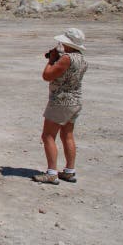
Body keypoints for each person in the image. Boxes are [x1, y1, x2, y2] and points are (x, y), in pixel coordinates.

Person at [33, 28, 88, 185]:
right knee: (67, 135)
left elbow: (47, 75)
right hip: (75, 101)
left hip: (61, 102)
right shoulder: (82, 59)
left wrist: (51, 60)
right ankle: (69, 171)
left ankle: (51, 173)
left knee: (48, 136)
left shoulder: (67, 59)